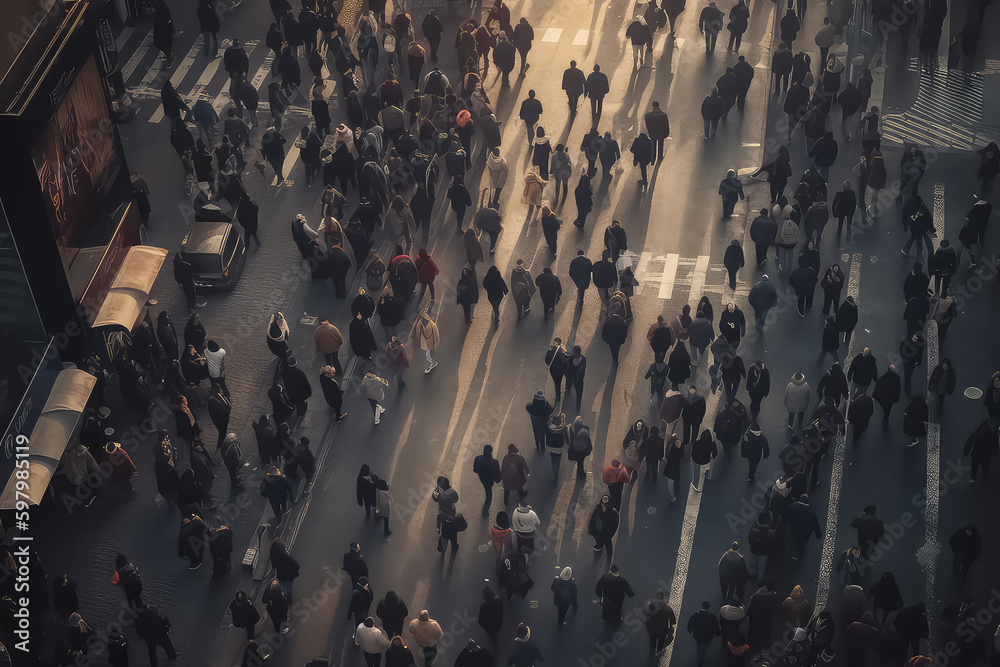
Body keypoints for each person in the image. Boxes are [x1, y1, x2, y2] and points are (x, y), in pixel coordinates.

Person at [785, 494, 822, 559]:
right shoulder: (811, 511)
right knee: (802, 542)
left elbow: (787, 514)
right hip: (806, 531)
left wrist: (787, 524)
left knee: (795, 538)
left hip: (795, 527)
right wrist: (819, 535)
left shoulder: (794, 506)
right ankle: (798, 552)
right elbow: (815, 524)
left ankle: (795, 546)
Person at [688, 601, 722, 666]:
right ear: (708, 607)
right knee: (704, 649)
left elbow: (690, 624)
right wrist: (718, 633)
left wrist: (690, 630)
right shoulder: (712, 617)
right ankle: (700, 661)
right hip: (707, 638)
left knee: (699, 645)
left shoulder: (696, 615)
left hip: (697, 635)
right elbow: (716, 628)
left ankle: (700, 657)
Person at [588, 494, 619, 560]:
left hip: (607, 534)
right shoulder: (598, 509)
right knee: (600, 542)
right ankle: (599, 546)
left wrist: (610, 535)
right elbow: (593, 520)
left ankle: (609, 557)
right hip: (600, 533)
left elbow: (615, 525)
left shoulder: (613, 513)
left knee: (608, 547)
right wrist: (592, 531)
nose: (604, 506)